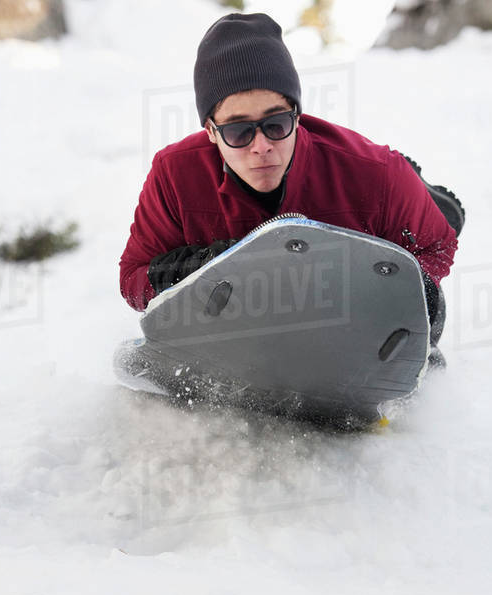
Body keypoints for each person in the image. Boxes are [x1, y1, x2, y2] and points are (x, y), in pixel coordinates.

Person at [118, 12, 463, 365]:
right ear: (210, 131)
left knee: (430, 308)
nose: (262, 146)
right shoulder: (174, 174)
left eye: (277, 124)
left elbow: (436, 244)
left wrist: (379, 294)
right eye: (238, 131)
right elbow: (132, 276)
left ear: (297, 115)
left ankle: (426, 198)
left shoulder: (375, 171)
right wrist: (209, 267)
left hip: (348, 304)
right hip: (242, 320)